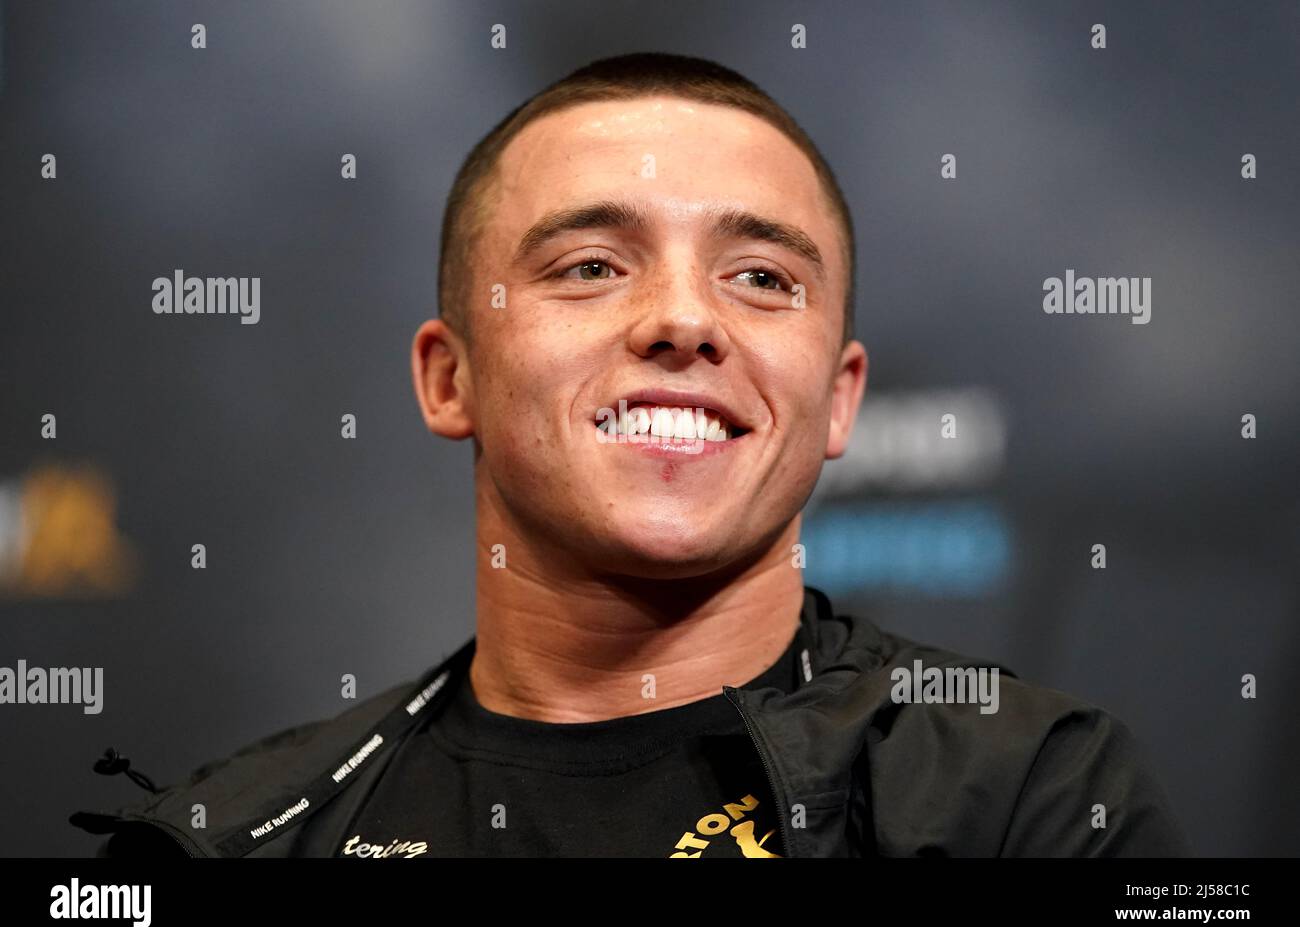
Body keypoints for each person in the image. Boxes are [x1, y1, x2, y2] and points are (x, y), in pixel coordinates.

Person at [71, 52, 1190, 858]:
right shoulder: (227, 840)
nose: (683, 320)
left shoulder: (1030, 794)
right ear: (447, 377)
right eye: (591, 266)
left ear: (840, 399)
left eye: (761, 278)